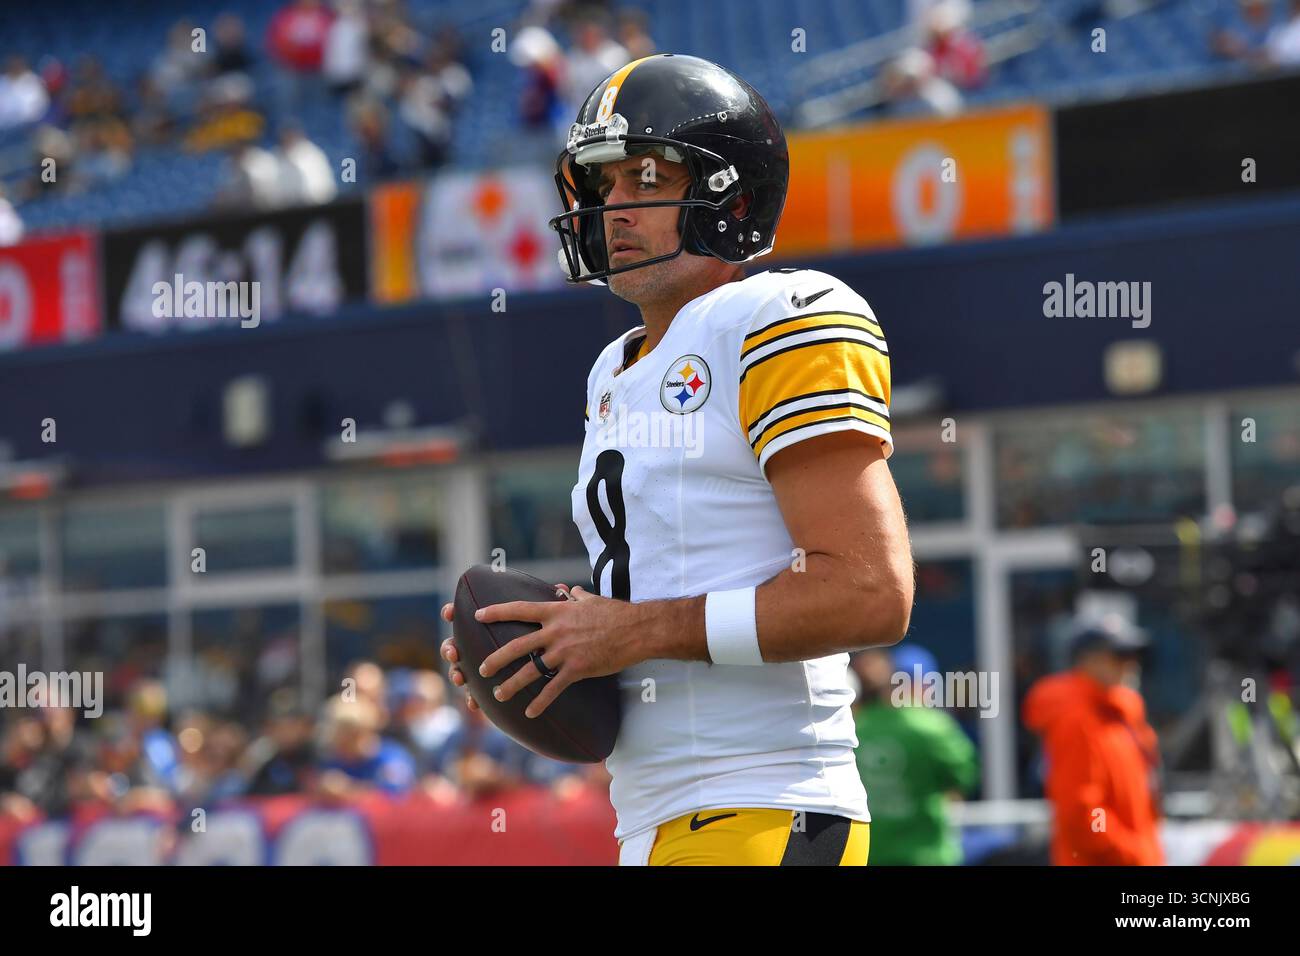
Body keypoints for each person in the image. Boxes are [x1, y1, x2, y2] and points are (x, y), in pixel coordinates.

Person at [441, 54, 913, 866]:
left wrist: (627, 630)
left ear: (730, 196)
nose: (613, 208)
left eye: (644, 179)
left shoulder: (783, 313)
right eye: (603, 186)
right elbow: (666, 594)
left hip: (766, 806)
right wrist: (548, 650)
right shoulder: (612, 369)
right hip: (660, 817)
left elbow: (869, 592)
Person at [1023, 613, 1164, 866]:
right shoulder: (1075, 719)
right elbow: (1081, 810)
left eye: (1132, 656)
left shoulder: (1121, 714)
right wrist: (1129, 852)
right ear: (1088, 660)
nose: (1129, 665)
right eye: (1119, 655)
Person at [851, 646, 979, 865]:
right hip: (926, 855)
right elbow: (964, 779)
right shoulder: (933, 728)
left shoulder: (856, 726)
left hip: (870, 854)